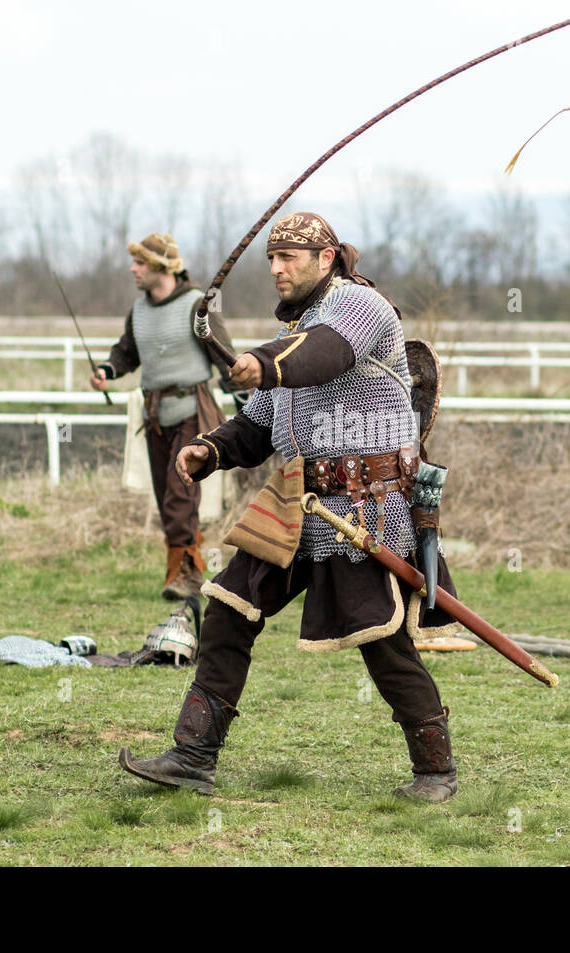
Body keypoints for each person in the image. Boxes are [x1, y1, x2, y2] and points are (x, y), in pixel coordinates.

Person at [118, 212, 462, 802]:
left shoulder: (360, 308)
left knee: (383, 642)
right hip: (297, 505)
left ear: (325, 258)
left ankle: (435, 771)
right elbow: (260, 419)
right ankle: (193, 756)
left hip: (364, 509)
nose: (277, 268)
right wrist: (211, 449)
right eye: (272, 258)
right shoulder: (300, 328)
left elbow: (322, 354)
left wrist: (268, 360)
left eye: (290, 257)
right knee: (228, 610)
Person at [91, 233, 240, 600]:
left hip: (193, 409)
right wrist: (107, 371)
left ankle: (186, 573)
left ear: (162, 267)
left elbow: (225, 356)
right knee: (165, 495)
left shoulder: (196, 306)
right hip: (155, 413)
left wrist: (246, 404)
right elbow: (126, 353)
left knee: (179, 492)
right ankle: (185, 566)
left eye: (140, 263)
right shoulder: (138, 310)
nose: (133, 269)